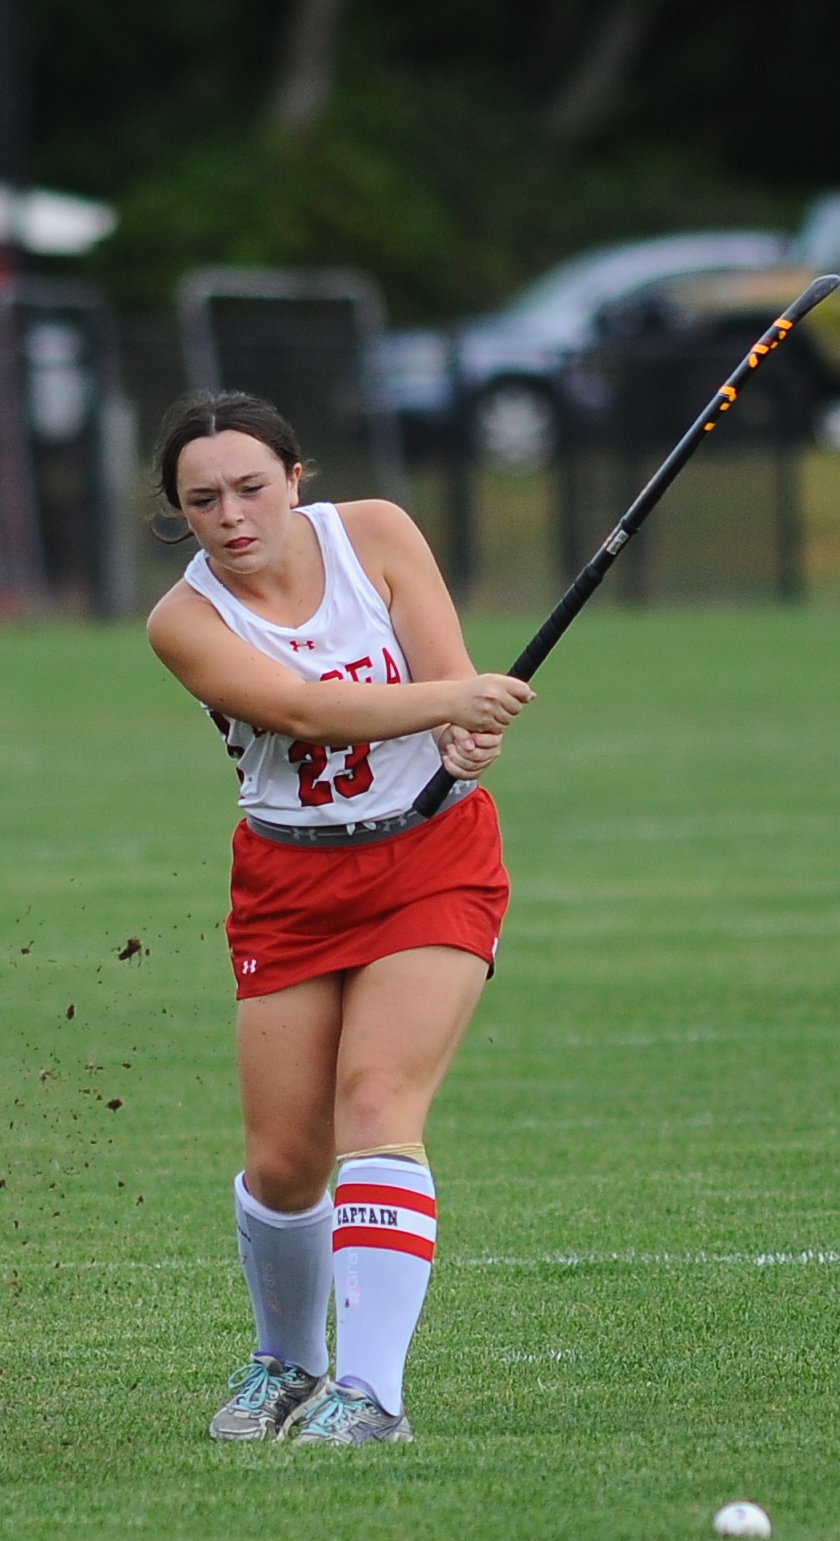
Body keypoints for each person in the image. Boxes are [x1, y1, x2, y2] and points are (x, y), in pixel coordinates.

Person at [146, 391, 533, 1445]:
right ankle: (287, 1363)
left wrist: (467, 732)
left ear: (294, 477)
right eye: (202, 500)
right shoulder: (182, 622)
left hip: (431, 860)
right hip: (288, 881)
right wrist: (452, 705)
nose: (231, 514)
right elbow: (305, 710)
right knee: (283, 1163)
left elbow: (448, 682)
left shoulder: (376, 534)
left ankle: (371, 1396)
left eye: (250, 488)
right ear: (179, 512)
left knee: (376, 1100)